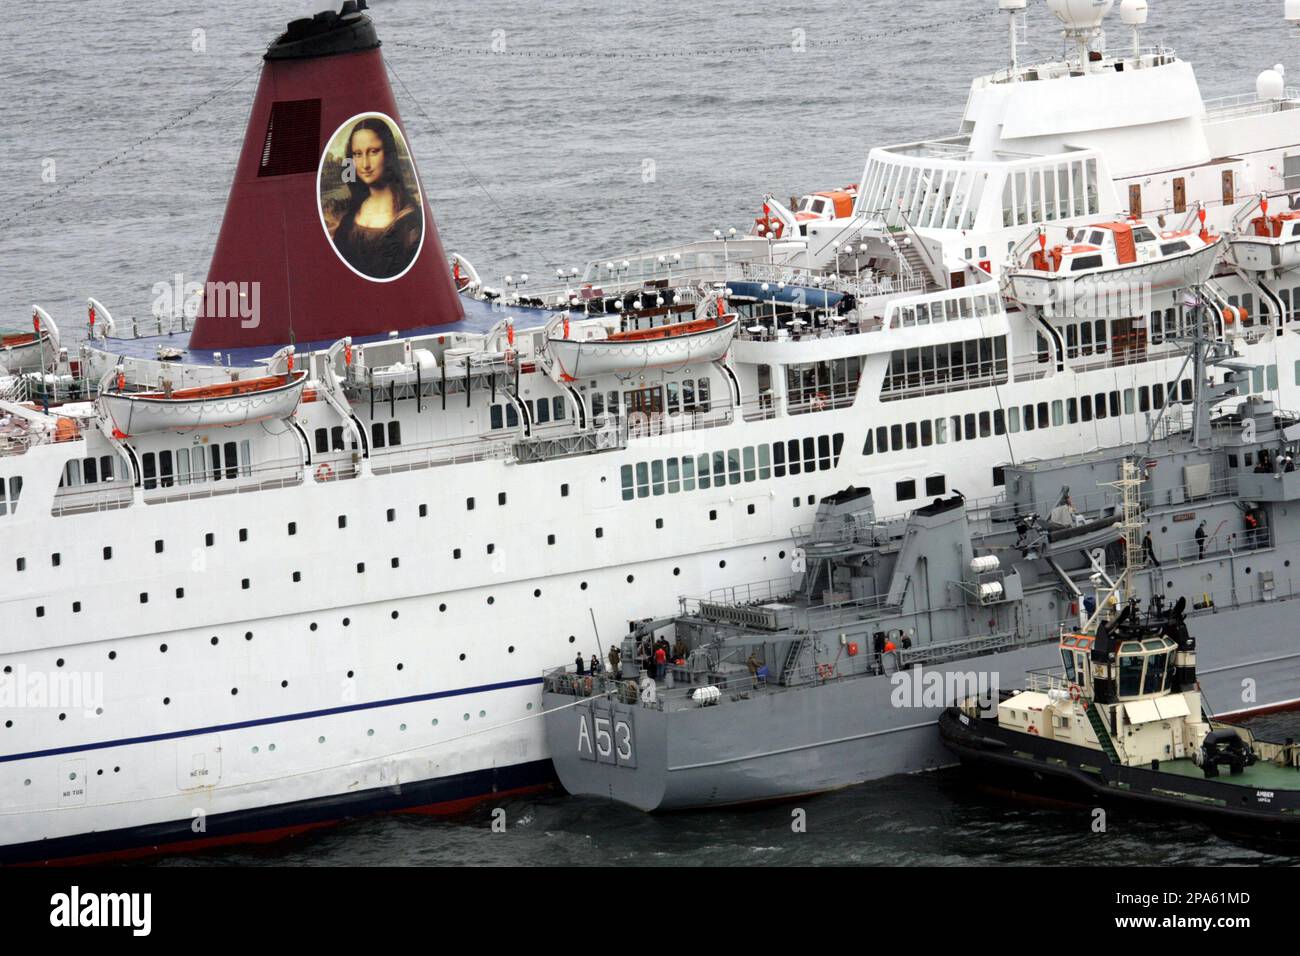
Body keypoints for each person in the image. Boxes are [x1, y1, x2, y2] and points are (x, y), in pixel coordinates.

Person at [327, 117, 423, 280]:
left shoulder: (409, 223)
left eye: (373, 152)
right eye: (357, 154)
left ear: (388, 154)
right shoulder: (350, 217)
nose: (365, 164)